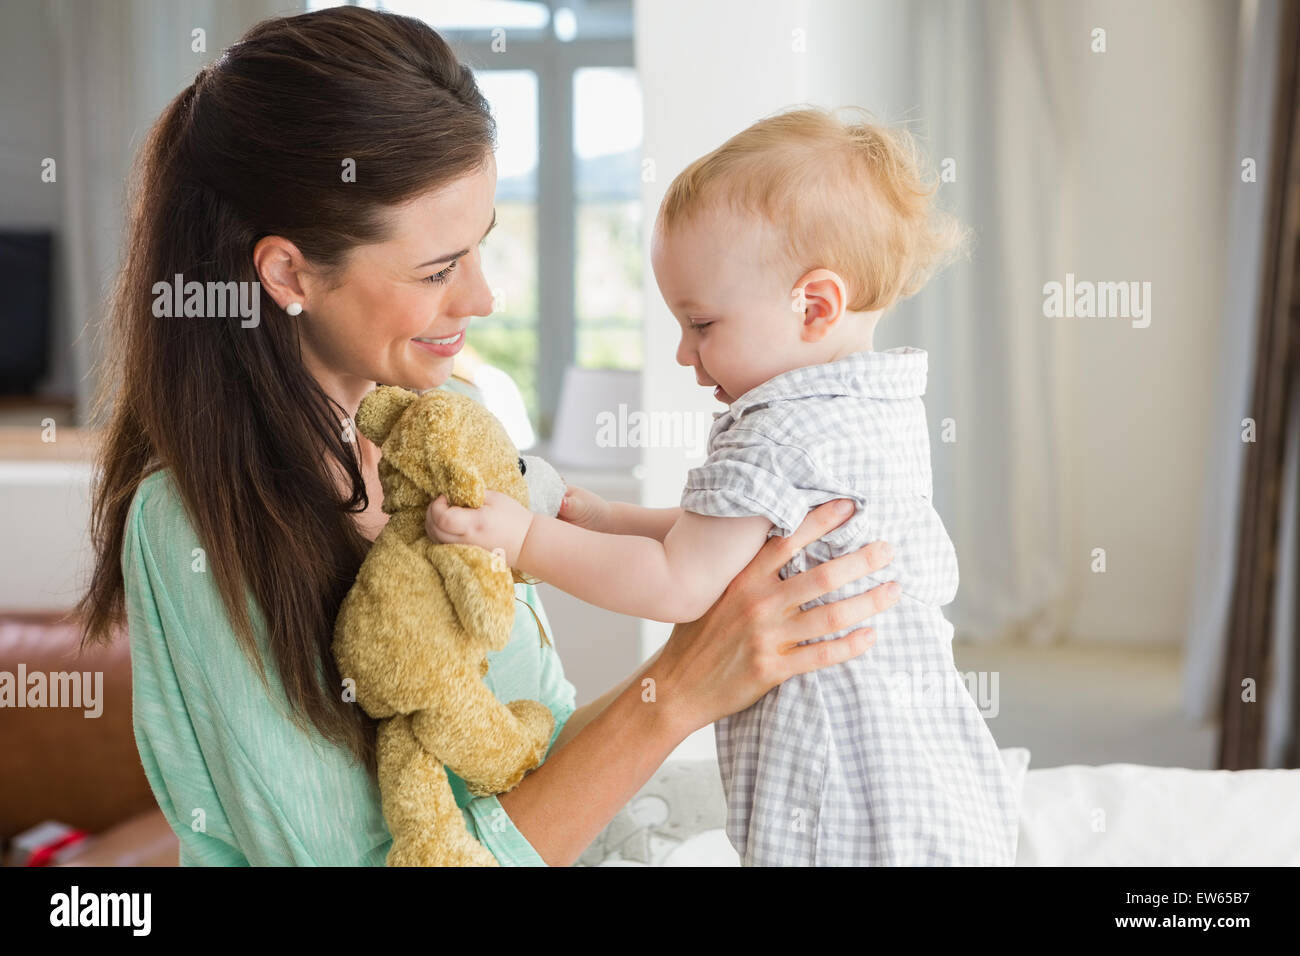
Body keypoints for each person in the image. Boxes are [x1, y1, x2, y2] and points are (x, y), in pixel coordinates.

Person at [73, 6, 899, 867]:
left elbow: (521, 768)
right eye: (437, 270)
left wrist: (707, 686)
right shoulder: (193, 526)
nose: (482, 300)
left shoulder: (453, 436)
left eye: (480, 249)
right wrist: (677, 691)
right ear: (289, 274)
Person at [427, 107, 1018, 865]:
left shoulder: (776, 427)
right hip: (928, 769)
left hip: (840, 785)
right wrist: (609, 518)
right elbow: (729, 534)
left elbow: (680, 585)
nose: (683, 352)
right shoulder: (872, 407)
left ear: (814, 306)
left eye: (701, 324)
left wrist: (528, 540)